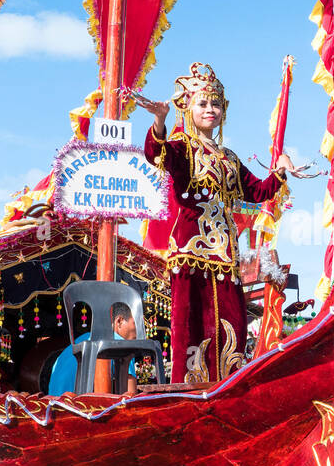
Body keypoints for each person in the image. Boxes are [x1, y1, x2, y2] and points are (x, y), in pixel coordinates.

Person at [140, 63, 293, 384]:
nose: (211, 110)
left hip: (225, 256)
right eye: (203, 103)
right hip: (191, 253)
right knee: (191, 327)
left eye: (216, 104)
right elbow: (156, 154)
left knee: (233, 324)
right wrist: (159, 121)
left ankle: (229, 386)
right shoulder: (182, 148)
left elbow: (259, 191)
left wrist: (280, 170)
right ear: (187, 108)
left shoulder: (230, 159)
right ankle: (188, 390)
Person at [47, 301, 139, 397]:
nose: (140, 330)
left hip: (54, 405)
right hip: (78, 408)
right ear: (119, 321)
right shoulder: (122, 346)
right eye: (136, 323)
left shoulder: (82, 340)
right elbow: (131, 398)